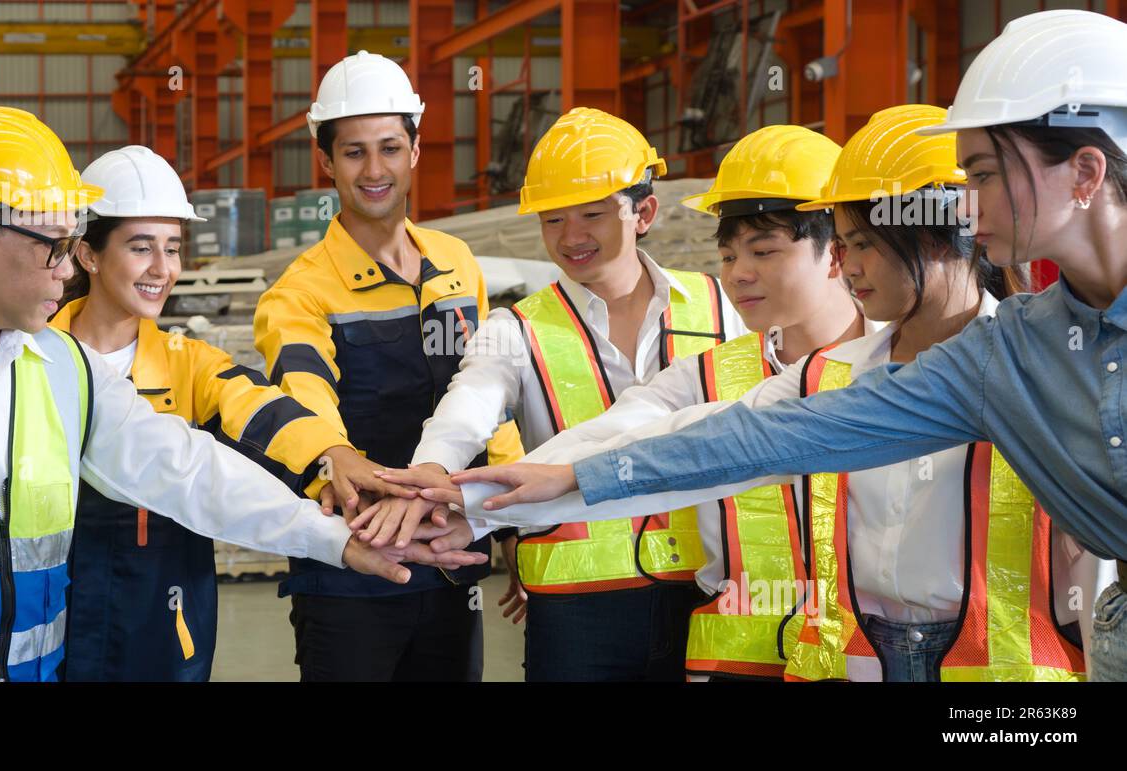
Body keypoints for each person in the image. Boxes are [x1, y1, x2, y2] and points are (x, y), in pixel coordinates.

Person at [434, 10, 1127, 681]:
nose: (966, 208)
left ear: (1086, 173)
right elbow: (760, 434)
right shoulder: (1000, 356)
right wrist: (563, 483)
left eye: (979, 176)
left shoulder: (1003, 349)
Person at [0, 106, 476, 682]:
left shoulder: (63, 370)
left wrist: (334, 533)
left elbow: (190, 471)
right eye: (53, 245)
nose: (64, 267)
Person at [373, 119, 874, 680]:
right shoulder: (518, 328)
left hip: (718, 593)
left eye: (591, 214)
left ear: (644, 214)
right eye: (553, 219)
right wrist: (442, 487)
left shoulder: (727, 310)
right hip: (588, 606)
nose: (571, 235)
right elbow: (479, 411)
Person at [252, 51, 522, 681]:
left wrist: (511, 525)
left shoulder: (457, 264)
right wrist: (334, 455)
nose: (375, 170)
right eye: (354, 152)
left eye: (390, 147)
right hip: (351, 569)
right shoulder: (300, 293)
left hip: (456, 555)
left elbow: (491, 395)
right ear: (326, 161)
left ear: (415, 151)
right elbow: (303, 392)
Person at [49, 145, 348, 681]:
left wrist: (331, 457)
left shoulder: (191, 366)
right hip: (54, 617)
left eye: (173, 248)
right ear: (88, 255)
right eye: (142, 248)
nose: (163, 270)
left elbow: (260, 409)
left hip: (164, 623)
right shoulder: (33, 360)